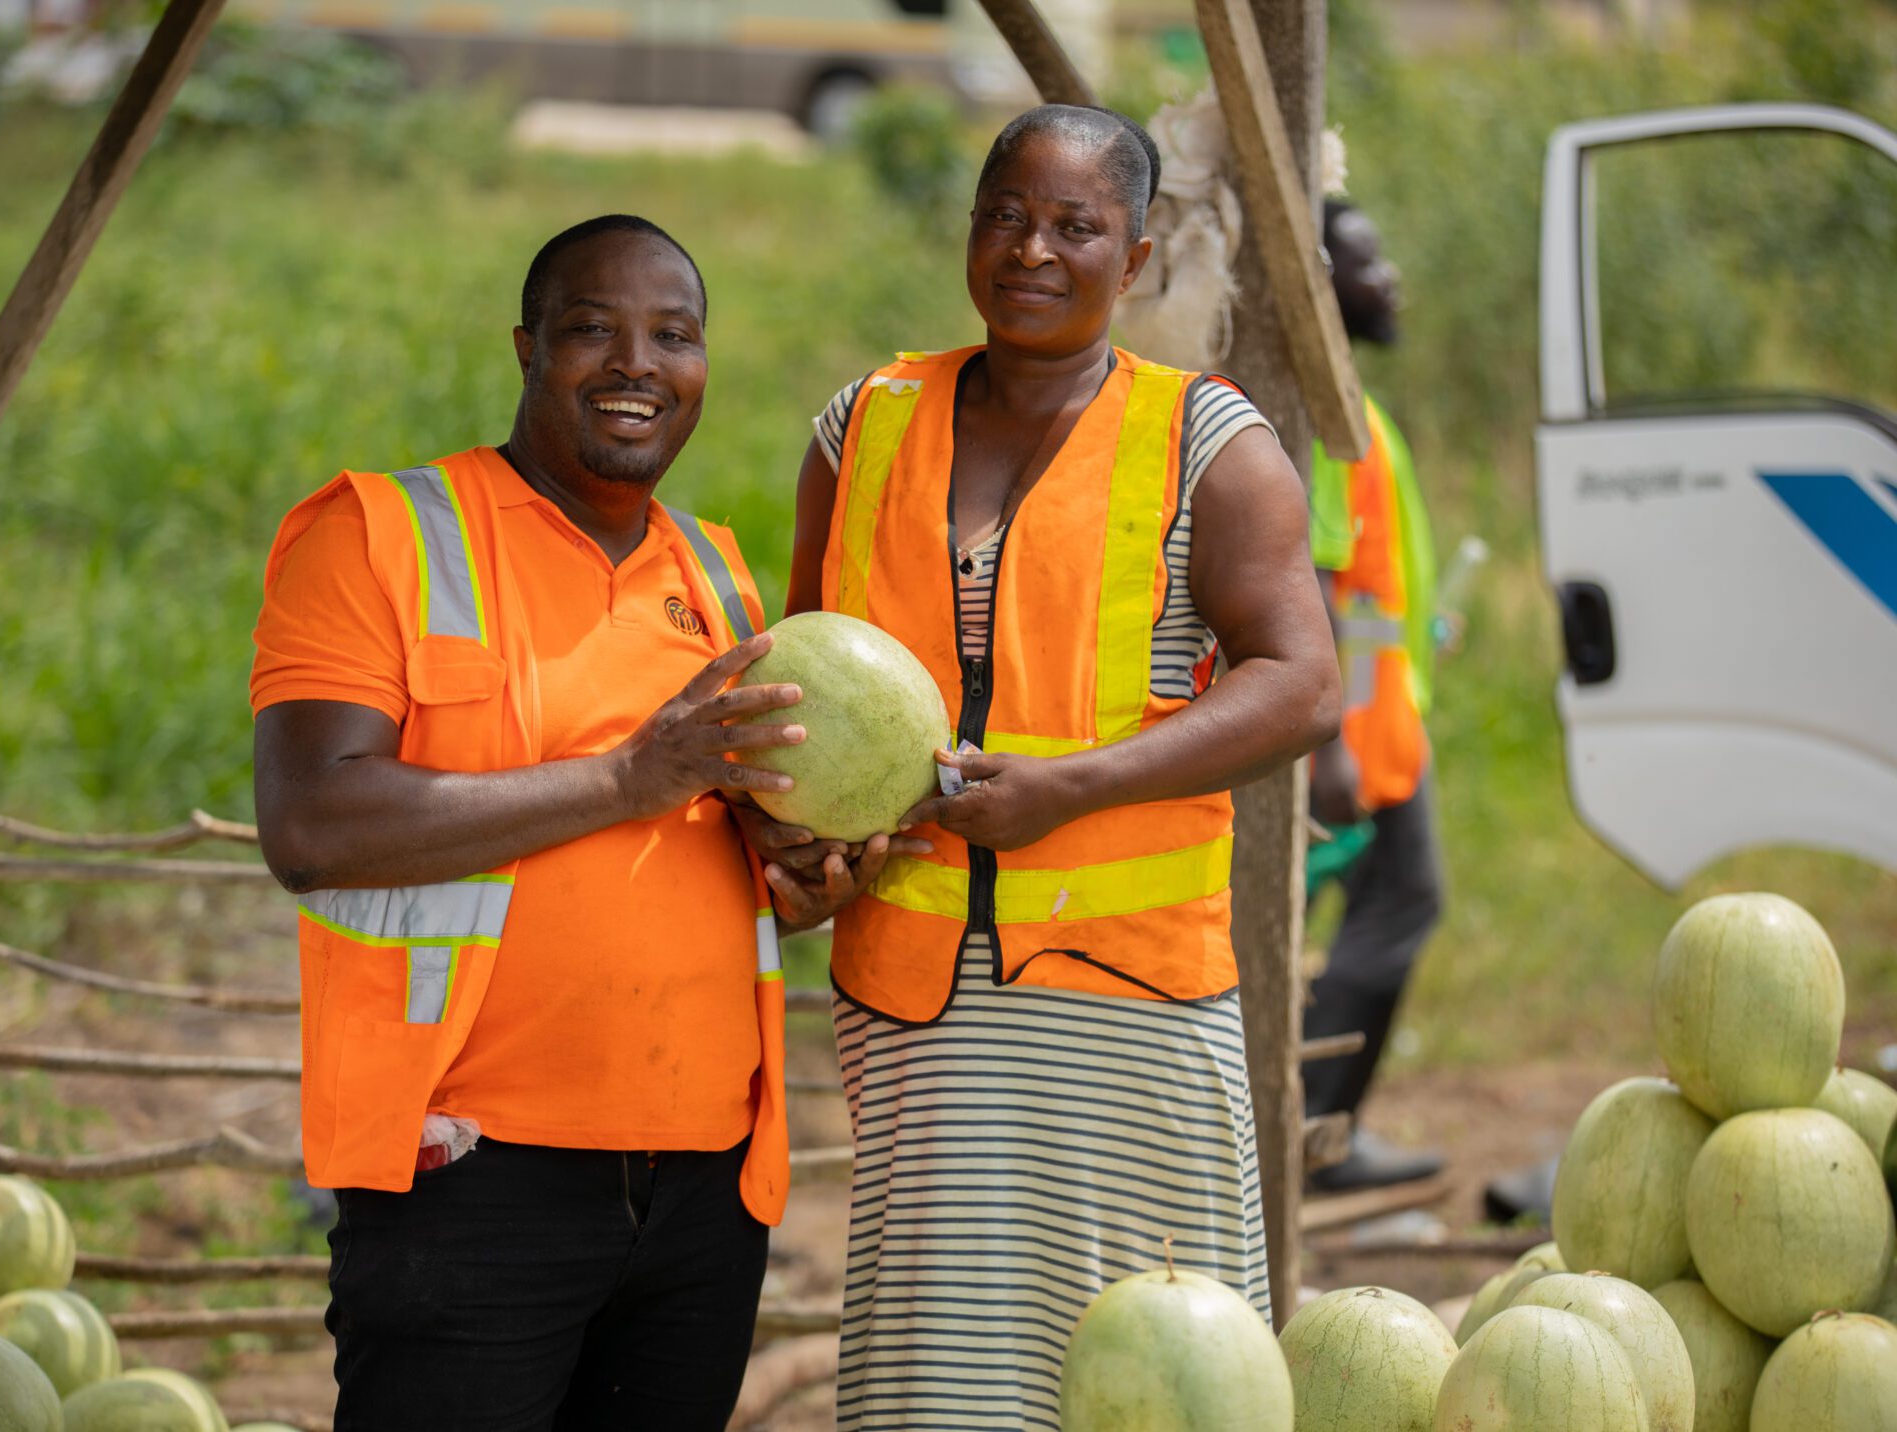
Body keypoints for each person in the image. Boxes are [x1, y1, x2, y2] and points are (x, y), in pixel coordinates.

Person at [749, 105, 1342, 1429]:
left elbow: (1302, 683)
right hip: (917, 1006)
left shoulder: (1207, 444)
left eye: (1076, 226)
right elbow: (802, 675)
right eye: (1006, 214)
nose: (1032, 249)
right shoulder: (864, 426)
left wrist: (1067, 788)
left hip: (1127, 1003)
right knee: (944, 1376)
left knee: (1150, 1371)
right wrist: (793, 839)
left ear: (1134, 259)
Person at [249, 215, 884, 1431]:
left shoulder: (717, 576)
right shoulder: (379, 534)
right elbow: (311, 824)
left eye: (675, 335)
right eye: (593, 329)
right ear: (527, 348)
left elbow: (710, 853)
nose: (636, 363)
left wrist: (798, 877)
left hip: (703, 1186)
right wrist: (624, 777)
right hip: (471, 1175)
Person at [1301, 199, 1448, 1192]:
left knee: (1393, 902)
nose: (1385, 275)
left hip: (1378, 729)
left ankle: (1318, 1129)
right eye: (1364, 260)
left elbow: (1368, 584)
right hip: (1345, 744)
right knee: (1395, 901)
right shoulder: (1320, 412)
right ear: (1314, 278)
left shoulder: (1353, 408)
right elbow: (1310, 581)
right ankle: (1309, 1129)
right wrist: (1326, 749)